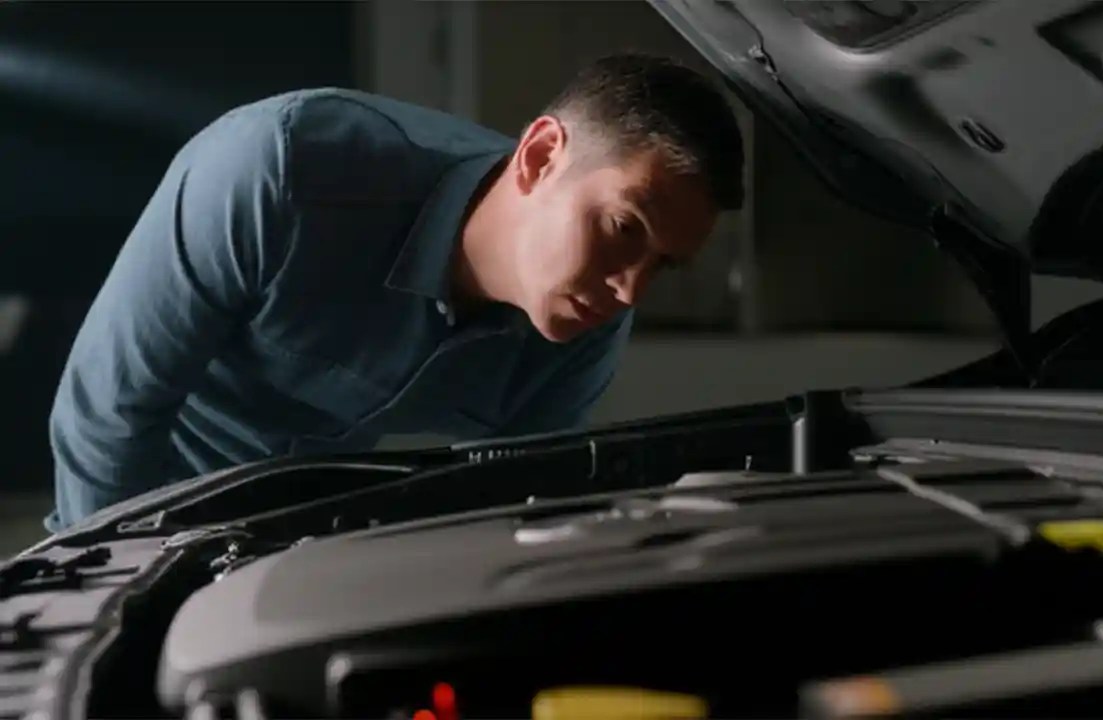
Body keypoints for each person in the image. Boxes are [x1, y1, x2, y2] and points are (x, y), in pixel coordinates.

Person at [45, 53, 744, 531]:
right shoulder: (279, 171)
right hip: (132, 515)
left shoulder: (585, 324)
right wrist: (114, 590)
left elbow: (522, 516)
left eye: (663, 265)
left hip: (299, 553)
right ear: (539, 157)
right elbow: (108, 412)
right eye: (624, 228)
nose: (630, 290)